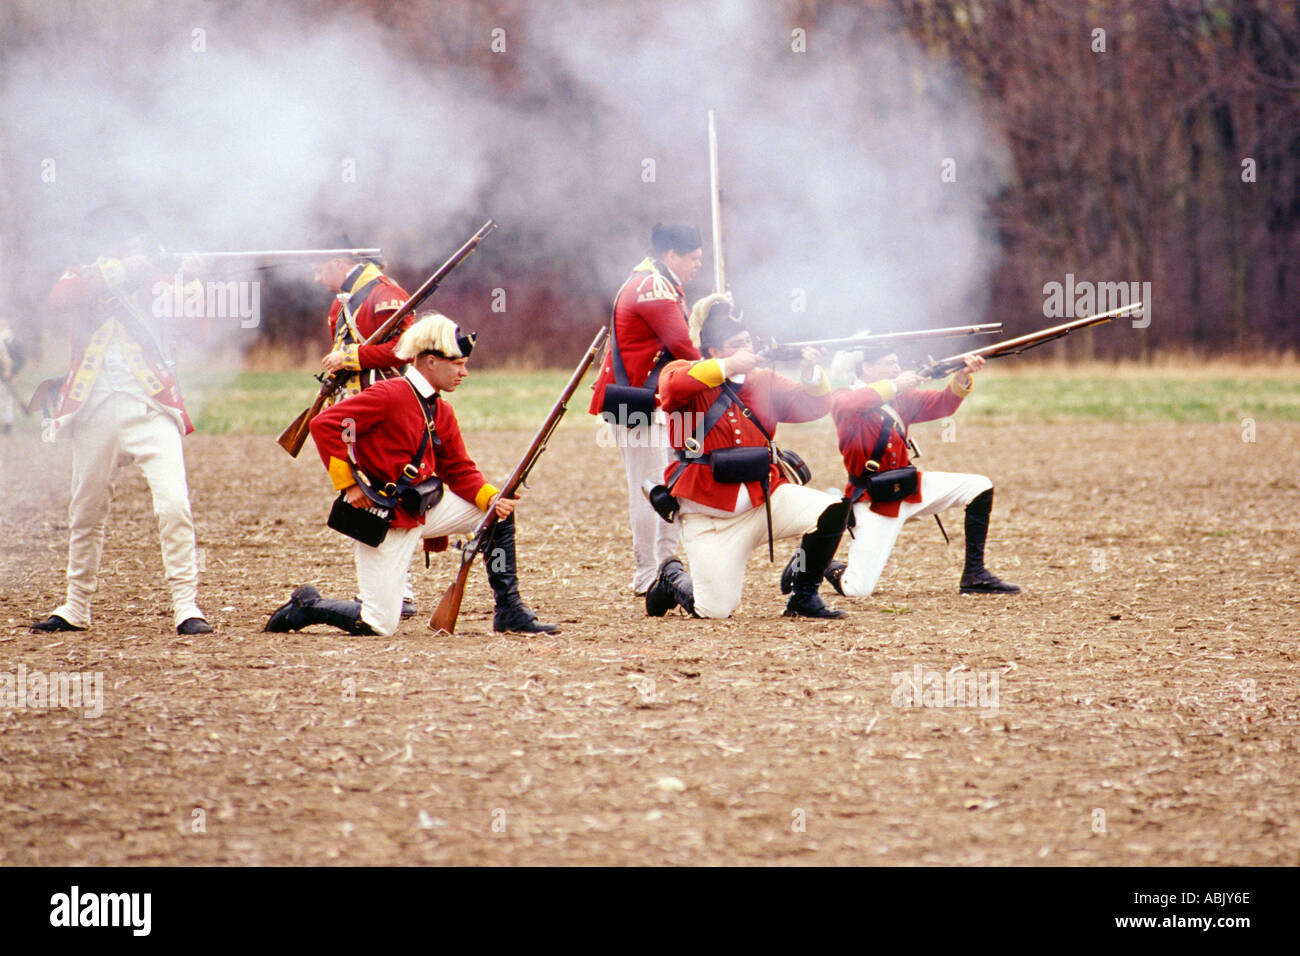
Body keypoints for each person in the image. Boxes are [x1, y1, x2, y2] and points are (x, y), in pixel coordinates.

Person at [264, 311, 557, 637]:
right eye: (457, 363)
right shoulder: (389, 394)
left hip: (422, 508)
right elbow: (325, 425)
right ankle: (306, 607)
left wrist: (491, 497)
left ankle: (509, 611)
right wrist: (349, 485)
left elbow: (458, 469)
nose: (465, 372)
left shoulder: (441, 408)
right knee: (378, 624)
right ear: (430, 361)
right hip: (383, 517)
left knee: (496, 514)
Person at [30, 203, 212, 635]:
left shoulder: (157, 281)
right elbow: (60, 299)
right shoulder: (86, 275)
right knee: (85, 509)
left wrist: (189, 279)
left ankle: (187, 605)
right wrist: (121, 269)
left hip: (152, 408)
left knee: (174, 506)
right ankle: (76, 607)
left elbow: (196, 332)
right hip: (93, 409)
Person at [645, 300, 849, 620]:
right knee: (714, 610)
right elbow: (672, 386)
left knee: (833, 510)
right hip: (708, 514)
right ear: (712, 351)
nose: (747, 350)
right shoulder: (683, 370)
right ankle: (671, 577)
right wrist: (729, 366)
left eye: (748, 342)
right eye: (736, 345)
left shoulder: (764, 380)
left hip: (762, 499)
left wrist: (811, 372)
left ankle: (804, 594)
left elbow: (813, 407)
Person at [818, 347, 1020, 597]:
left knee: (979, 486)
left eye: (897, 363)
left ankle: (975, 575)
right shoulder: (844, 396)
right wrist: (896, 385)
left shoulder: (902, 396)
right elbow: (851, 405)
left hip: (910, 486)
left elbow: (942, 405)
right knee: (857, 590)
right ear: (866, 368)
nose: (896, 369)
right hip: (874, 499)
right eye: (889, 363)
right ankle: (820, 564)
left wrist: (962, 376)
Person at [588, 222, 705, 596]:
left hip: (643, 400)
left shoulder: (656, 281)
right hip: (639, 401)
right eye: (694, 258)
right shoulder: (654, 287)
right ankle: (649, 574)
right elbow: (683, 346)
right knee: (651, 487)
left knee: (665, 483)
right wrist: (724, 368)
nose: (698, 265)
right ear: (672, 255)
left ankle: (665, 567)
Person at [311, 237, 423, 618]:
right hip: (357, 413)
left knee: (390, 494)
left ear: (341, 262)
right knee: (362, 499)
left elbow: (406, 351)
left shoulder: (386, 295)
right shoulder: (341, 303)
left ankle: (401, 591)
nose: (315, 277)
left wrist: (353, 355)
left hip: (387, 410)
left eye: (319, 267)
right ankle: (383, 590)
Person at [0, 317, 24, 434]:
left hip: (6, 376)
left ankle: (7, 425)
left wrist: (13, 373)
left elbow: (19, 360)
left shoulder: (13, 342)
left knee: (6, 401)